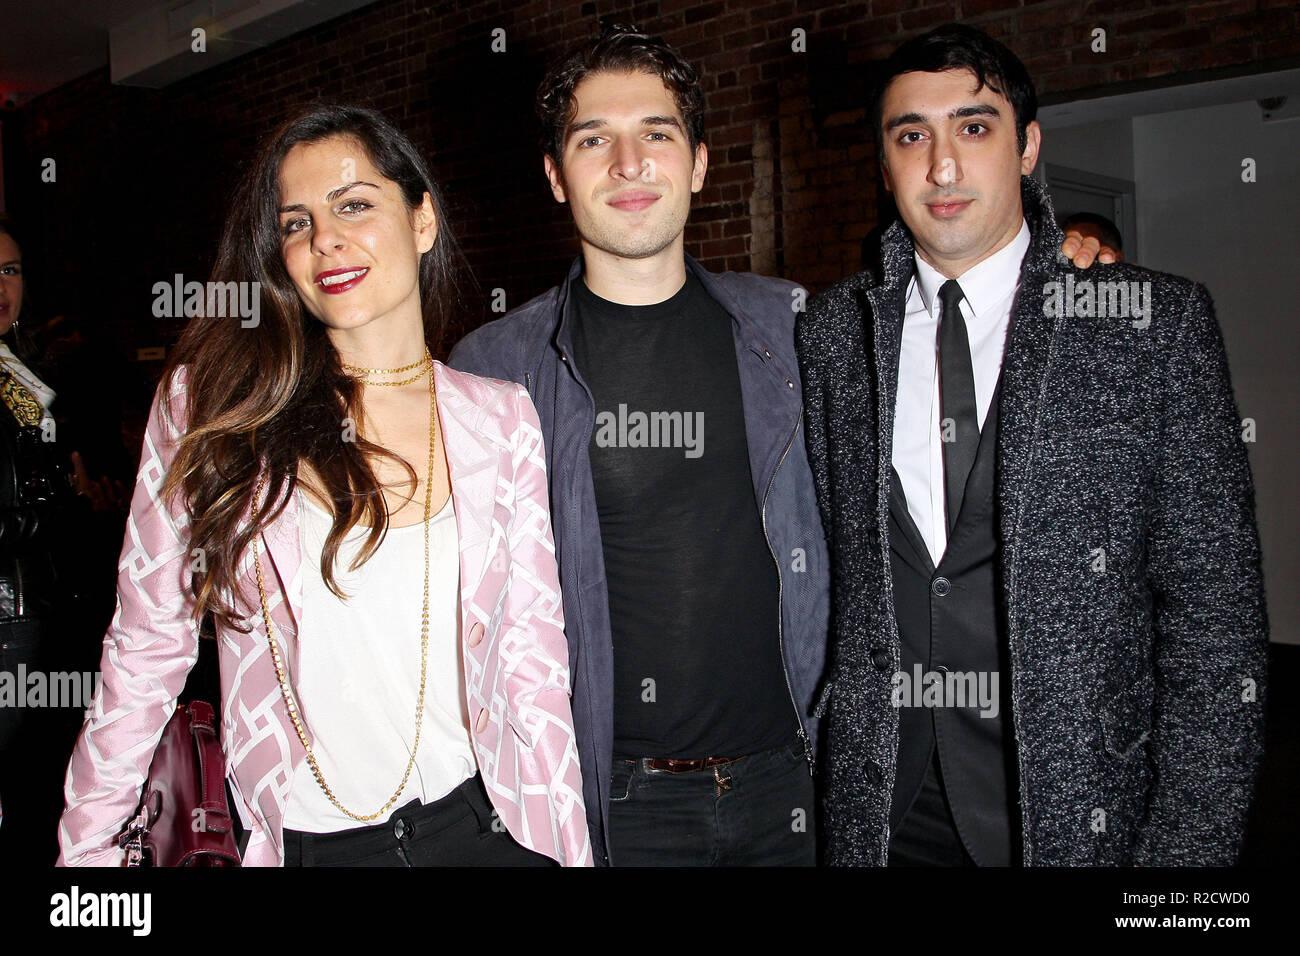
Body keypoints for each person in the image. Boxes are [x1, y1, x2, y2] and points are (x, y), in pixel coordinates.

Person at [57, 104, 590, 867]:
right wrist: (85, 857)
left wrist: (570, 852)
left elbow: (534, 667)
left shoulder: (500, 419)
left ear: (423, 219)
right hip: (313, 845)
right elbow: (146, 647)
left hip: (485, 831)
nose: (325, 240)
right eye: (297, 223)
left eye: (354, 205)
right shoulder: (212, 407)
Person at [796, 23, 1268, 866]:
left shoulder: (1150, 323)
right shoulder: (834, 332)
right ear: (885, 163)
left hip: (1073, 813)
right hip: (882, 810)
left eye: (974, 129)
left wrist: (1182, 873)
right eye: (913, 136)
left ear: (1027, 147)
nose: (943, 167)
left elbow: (1216, 624)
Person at [449, 25, 830, 866]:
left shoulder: (795, 327)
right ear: (556, 176)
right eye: (595, 140)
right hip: (614, 803)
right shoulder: (492, 370)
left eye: (656, 133)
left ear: (696, 163)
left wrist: (1048, 273)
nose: (629, 164)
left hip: (795, 786)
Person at [0, 215, 94, 864]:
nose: (2, 285)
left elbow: (48, 463)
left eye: (10, 269)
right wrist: (34, 517)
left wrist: (66, 483)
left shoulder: (15, 370)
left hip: (42, 603)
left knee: (31, 776)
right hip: (9, 605)